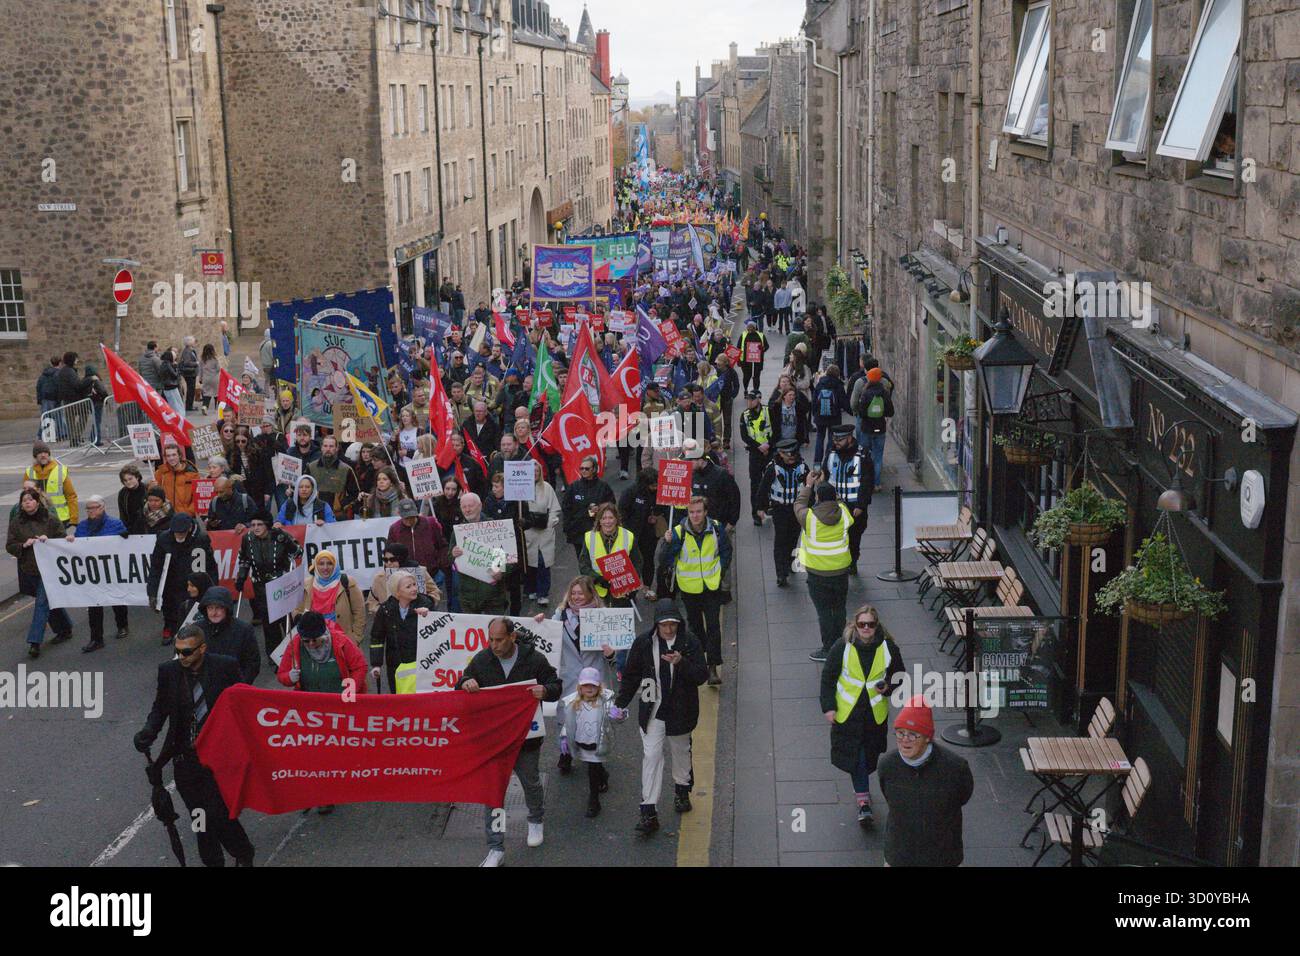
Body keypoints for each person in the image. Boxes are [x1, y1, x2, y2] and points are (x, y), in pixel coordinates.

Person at [133, 624, 255, 867]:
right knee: (199, 818)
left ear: (202, 648)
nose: (181, 657)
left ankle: (243, 852)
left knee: (219, 814)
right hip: (186, 759)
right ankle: (212, 862)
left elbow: (243, 702)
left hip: (219, 757)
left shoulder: (225, 666)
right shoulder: (169, 671)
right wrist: (149, 731)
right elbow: (160, 708)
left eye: (187, 652)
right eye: (178, 651)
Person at [457, 617, 561, 866]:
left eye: (499, 640)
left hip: (526, 739)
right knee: (494, 794)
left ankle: (535, 820)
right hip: (493, 742)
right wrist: (465, 683)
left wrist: (545, 691)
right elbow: (460, 683)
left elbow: (555, 684)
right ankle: (496, 847)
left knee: (530, 782)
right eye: (491, 639)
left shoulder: (533, 659)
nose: (494, 645)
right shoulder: (482, 660)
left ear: (512, 637)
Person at [615, 599, 709, 836]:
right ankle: (648, 810)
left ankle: (681, 790)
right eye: (664, 625)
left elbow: (701, 675)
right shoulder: (643, 643)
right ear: (656, 624)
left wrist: (681, 663)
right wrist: (620, 704)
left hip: (681, 708)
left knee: (680, 749)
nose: (668, 629)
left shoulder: (690, 642)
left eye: (672, 625)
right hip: (652, 708)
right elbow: (631, 675)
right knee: (651, 755)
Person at [819, 605, 905, 825]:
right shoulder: (842, 647)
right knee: (856, 758)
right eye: (862, 624)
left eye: (871, 624)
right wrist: (829, 707)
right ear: (854, 625)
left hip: (874, 715)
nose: (866, 628)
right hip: (848, 714)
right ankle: (863, 802)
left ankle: (862, 788)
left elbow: (899, 676)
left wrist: (888, 688)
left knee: (869, 758)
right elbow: (828, 679)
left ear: (877, 626)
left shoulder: (889, 648)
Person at [877, 697, 975, 866]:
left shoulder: (955, 767)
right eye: (900, 733)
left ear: (928, 737)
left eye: (913, 734)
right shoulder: (887, 765)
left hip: (942, 856)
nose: (904, 740)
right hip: (900, 855)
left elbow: (963, 796)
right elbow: (888, 795)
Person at [538, 576, 616, 775]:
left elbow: (617, 652)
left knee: (595, 719)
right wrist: (540, 623)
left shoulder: (602, 616)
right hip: (569, 676)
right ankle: (566, 753)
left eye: (581, 593)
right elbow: (547, 635)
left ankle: (597, 760)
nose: (577, 597)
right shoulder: (560, 615)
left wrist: (611, 653)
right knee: (566, 716)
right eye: (573, 593)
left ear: (591, 593)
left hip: (594, 677)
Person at [659, 497, 733, 685]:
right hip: (689, 588)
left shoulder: (716, 528)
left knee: (714, 626)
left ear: (705, 512)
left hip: (711, 586)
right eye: (691, 512)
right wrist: (666, 543)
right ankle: (700, 659)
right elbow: (665, 560)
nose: (695, 515)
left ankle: (713, 667)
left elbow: (726, 551)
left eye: (699, 511)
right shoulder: (678, 532)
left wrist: (720, 570)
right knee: (696, 627)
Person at [6, 488, 73, 658]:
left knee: (41, 604)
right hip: (29, 569)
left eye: (30, 499)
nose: (27, 502)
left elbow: (62, 540)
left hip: (49, 569)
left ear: (37, 501)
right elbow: (10, 545)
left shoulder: (50, 519)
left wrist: (47, 540)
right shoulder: (16, 522)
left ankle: (34, 641)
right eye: (24, 500)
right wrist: (23, 545)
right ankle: (65, 628)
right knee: (47, 601)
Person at [233, 509, 304, 659]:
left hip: (281, 584)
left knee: (287, 620)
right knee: (269, 623)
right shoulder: (248, 539)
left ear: (267, 525)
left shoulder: (280, 536)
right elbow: (245, 559)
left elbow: (298, 552)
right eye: (252, 525)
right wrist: (241, 576)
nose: (256, 528)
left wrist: (288, 543)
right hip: (261, 587)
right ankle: (275, 656)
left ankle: (296, 651)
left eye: (260, 524)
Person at [558, 667, 628, 818]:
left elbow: (616, 717)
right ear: (580, 687)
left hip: (597, 745)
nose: (589, 688)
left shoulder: (605, 703)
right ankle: (603, 776)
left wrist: (619, 715)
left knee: (592, 771)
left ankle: (594, 800)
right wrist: (564, 737)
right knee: (593, 768)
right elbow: (568, 723)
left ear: (599, 686)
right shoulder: (573, 703)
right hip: (581, 744)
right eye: (586, 685)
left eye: (593, 685)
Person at [797, 478, 852, 663]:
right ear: (835, 497)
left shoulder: (808, 517)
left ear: (818, 497)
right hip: (841, 572)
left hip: (818, 574)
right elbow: (842, 504)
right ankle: (843, 644)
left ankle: (829, 649)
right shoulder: (844, 513)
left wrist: (808, 486)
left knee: (824, 612)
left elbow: (798, 504)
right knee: (839, 609)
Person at [66, 495, 130, 652]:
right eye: (88, 508)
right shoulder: (82, 526)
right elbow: (78, 546)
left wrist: (125, 536)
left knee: (117, 599)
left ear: (103, 507)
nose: (90, 511)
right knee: (94, 605)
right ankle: (96, 638)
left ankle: (122, 625)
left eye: (94, 507)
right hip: (92, 573)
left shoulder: (115, 524)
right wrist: (70, 540)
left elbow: (126, 544)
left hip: (111, 570)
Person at [147, 513, 216, 646]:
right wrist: (152, 591)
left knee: (194, 606)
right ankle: (169, 627)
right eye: (175, 532)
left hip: (194, 579)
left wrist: (213, 588)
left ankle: (196, 631)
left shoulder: (201, 539)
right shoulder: (163, 539)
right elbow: (156, 566)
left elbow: (211, 565)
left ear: (189, 528)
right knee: (169, 606)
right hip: (171, 578)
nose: (178, 535)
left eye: (181, 532)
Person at [278, 609, 369, 706]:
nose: (311, 644)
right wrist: (289, 677)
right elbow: (282, 674)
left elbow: (360, 667)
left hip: (342, 702)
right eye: (306, 641)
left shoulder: (341, 642)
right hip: (311, 704)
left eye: (315, 640)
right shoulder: (295, 644)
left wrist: (350, 691)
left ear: (323, 634)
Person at [368, 569, 437, 694]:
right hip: (396, 665)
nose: (414, 589)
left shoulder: (426, 604)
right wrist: (376, 664)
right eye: (408, 586)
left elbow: (439, 631)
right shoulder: (385, 610)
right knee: (399, 701)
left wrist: (429, 616)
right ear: (397, 591)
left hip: (422, 664)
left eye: (414, 584)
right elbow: (377, 638)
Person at [820, 423, 873, 574]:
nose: (836, 443)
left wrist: (861, 505)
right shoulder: (831, 452)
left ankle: (852, 561)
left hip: (854, 506)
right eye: (834, 439)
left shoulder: (862, 455)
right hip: (834, 505)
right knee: (835, 536)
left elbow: (867, 482)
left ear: (850, 438)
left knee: (854, 536)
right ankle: (838, 562)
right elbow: (826, 474)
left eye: (840, 440)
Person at [449, 493, 514, 615]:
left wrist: (501, 571)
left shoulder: (495, 527)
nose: (467, 510)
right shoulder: (458, 532)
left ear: (479, 506)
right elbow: (449, 559)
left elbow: (509, 557)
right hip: (468, 597)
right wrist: (453, 554)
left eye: (470, 506)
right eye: (464, 507)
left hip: (493, 596)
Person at [756, 439, 809, 587]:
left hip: (797, 509)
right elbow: (763, 488)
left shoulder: (803, 467)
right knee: (780, 541)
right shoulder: (773, 468)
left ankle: (790, 561)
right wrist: (760, 508)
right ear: (780, 453)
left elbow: (809, 487)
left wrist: (809, 508)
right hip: (780, 509)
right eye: (787, 454)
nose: (791, 456)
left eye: (793, 453)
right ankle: (781, 574)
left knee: (793, 537)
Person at [297, 550, 367, 647]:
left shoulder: (347, 582)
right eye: (321, 564)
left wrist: (355, 638)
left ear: (335, 565)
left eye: (329, 563)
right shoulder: (305, 585)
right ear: (316, 566)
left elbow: (359, 612)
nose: (325, 568)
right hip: (314, 643)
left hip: (343, 642)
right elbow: (297, 611)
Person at [196, 586, 261, 685]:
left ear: (226, 608)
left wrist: (241, 685)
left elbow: (252, 663)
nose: (214, 613)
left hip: (234, 688)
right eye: (210, 608)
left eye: (218, 608)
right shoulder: (197, 629)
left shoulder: (243, 630)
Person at [578, 503, 637, 608]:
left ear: (616, 519)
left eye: (611, 517)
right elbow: (583, 565)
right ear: (599, 520)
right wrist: (600, 580)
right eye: (603, 518)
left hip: (622, 594)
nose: (607, 522)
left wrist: (631, 585)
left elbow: (637, 563)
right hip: (597, 594)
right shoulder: (589, 537)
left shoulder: (628, 536)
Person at [387, 498, 449, 596]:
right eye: (405, 517)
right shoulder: (394, 529)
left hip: (433, 575)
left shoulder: (430, 523)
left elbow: (442, 545)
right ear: (399, 514)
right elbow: (389, 554)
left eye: (411, 516)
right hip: (406, 580)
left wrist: (440, 565)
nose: (409, 520)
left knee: (432, 607)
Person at [560, 455, 615, 564]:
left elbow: (612, 506)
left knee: (598, 563)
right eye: (581, 468)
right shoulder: (574, 487)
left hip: (598, 532)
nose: (583, 471)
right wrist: (567, 529)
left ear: (594, 469)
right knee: (583, 563)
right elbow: (566, 508)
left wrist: (600, 508)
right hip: (579, 532)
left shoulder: (603, 487)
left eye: (587, 468)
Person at [522, 462, 562, 606]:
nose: (534, 474)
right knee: (529, 563)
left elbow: (554, 509)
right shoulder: (520, 488)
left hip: (544, 531)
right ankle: (531, 589)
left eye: (537, 471)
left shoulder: (547, 487)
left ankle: (543, 593)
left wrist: (550, 523)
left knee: (543, 563)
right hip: (527, 531)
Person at [617, 468, 661, 591]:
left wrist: (657, 516)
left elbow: (664, 508)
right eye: (653, 485)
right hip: (632, 533)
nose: (655, 487)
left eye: (657, 484)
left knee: (648, 559)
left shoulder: (658, 493)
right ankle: (632, 589)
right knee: (633, 562)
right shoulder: (630, 492)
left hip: (650, 533)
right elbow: (622, 511)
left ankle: (647, 586)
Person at [854, 365, 895, 492]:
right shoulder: (884, 393)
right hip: (880, 429)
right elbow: (890, 412)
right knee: (878, 457)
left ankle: (866, 482)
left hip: (867, 428)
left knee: (865, 455)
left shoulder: (866, 393)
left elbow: (861, 413)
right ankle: (877, 484)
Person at [306, 435, 361, 518]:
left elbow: (355, 493)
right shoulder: (311, 467)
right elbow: (303, 488)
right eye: (325, 446)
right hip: (314, 514)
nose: (328, 449)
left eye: (331, 446)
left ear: (337, 448)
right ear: (321, 448)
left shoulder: (346, 469)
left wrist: (341, 504)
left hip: (338, 516)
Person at [740, 390, 773, 525]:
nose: (749, 402)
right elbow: (744, 436)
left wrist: (768, 445)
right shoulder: (745, 415)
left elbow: (775, 429)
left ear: (758, 400)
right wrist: (759, 446)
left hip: (769, 451)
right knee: (755, 484)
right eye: (748, 399)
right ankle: (756, 514)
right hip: (755, 453)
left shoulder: (768, 411)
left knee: (770, 481)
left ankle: (766, 507)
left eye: (752, 399)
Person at [25, 441, 77, 524]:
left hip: (60, 519)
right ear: (35, 456)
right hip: (37, 518)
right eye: (40, 453)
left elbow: (71, 496)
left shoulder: (60, 471)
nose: (43, 455)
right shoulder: (29, 472)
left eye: (45, 452)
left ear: (49, 454)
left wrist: (74, 519)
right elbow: (25, 497)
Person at [811, 366, 851, 463]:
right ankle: (827, 460)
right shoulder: (838, 386)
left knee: (820, 438)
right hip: (834, 417)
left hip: (820, 416)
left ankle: (817, 462)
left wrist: (814, 413)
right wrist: (852, 411)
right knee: (831, 439)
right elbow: (843, 402)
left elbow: (814, 401)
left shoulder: (820, 384)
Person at [154, 443, 199, 516]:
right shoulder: (160, 473)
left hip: (186, 516)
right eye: (168, 456)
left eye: (174, 455)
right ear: (165, 458)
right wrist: (152, 487)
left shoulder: (192, 474)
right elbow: (154, 496)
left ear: (180, 455)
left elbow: (196, 497)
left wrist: (189, 513)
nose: (171, 458)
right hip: (167, 517)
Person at [769, 386, 810, 450]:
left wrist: (805, 439)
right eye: (790, 395)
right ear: (784, 396)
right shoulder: (776, 407)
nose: (792, 397)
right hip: (780, 440)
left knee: (793, 459)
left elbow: (803, 424)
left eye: (793, 395)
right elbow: (771, 423)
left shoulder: (798, 407)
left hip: (794, 440)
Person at [117, 464, 149, 534]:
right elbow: (122, 515)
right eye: (125, 480)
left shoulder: (147, 489)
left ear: (137, 477)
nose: (128, 482)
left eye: (130, 479)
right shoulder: (122, 493)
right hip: (131, 530)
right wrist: (124, 528)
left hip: (148, 528)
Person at [160, 349, 185, 416]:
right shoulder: (167, 365)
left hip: (169, 386)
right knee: (176, 405)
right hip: (171, 387)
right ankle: (179, 418)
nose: (175, 357)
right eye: (174, 356)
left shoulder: (165, 364)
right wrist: (176, 367)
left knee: (176, 404)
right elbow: (175, 375)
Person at [179, 336, 200, 412]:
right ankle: (189, 406)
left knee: (191, 390)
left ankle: (190, 405)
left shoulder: (190, 350)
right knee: (190, 390)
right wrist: (195, 363)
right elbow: (186, 362)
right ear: (190, 342)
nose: (194, 343)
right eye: (193, 341)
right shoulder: (187, 351)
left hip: (192, 373)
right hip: (189, 373)